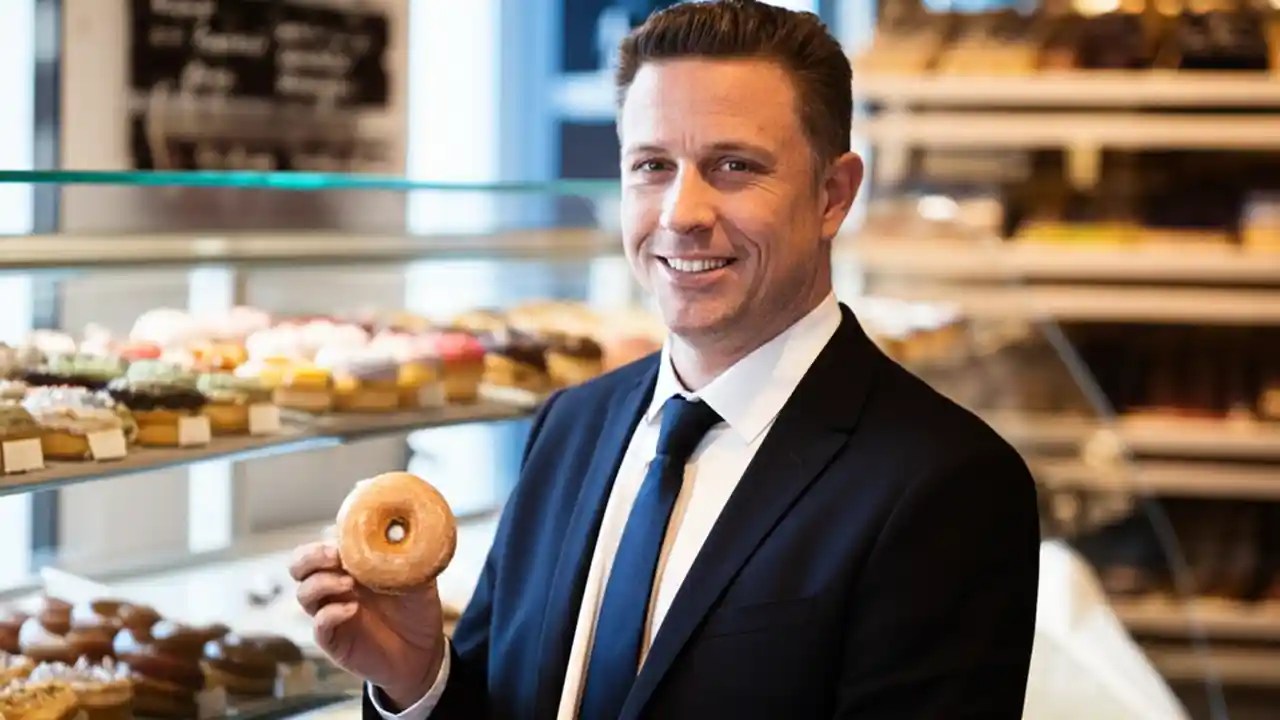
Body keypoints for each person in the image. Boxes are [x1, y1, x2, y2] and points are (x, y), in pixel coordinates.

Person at [290, 2, 1041, 718]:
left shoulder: (946, 485)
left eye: (735, 166)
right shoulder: (570, 428)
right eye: (652, 166)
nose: (682, 213)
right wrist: (418, 680)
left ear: (832, 195)